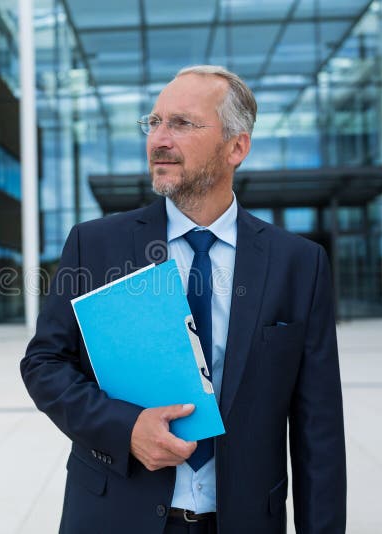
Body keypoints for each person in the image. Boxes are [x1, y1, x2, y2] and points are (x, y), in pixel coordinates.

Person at [20, 65, 346, 534]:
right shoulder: (95, 245)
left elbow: (320, 431)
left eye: (182, 123)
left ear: (237, 147)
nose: (159, 139)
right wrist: (124, 428)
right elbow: (44, 364)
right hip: (115, 516)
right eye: (154, 122)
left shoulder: (299, 263)